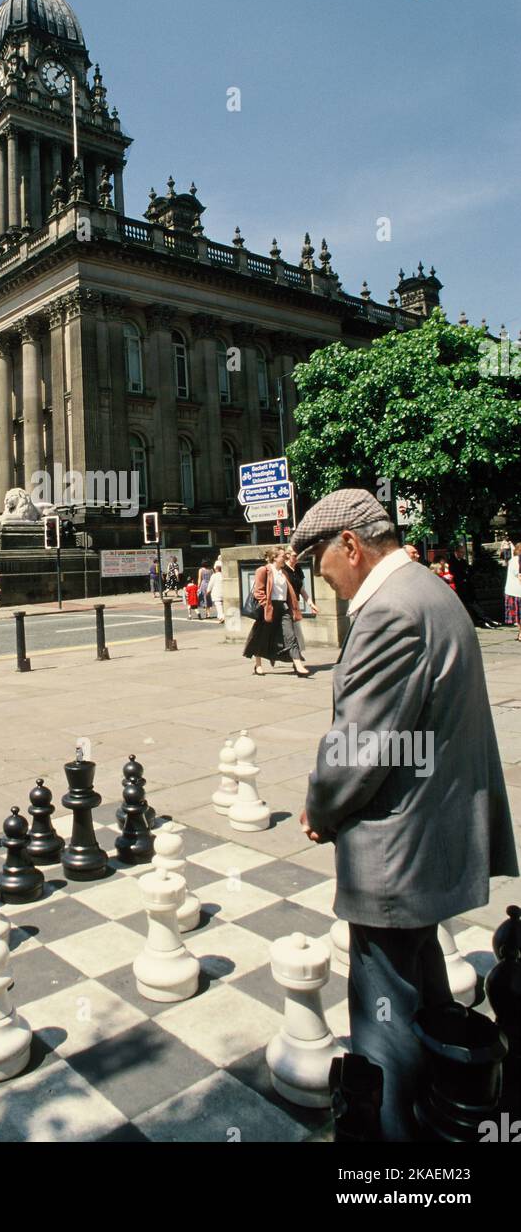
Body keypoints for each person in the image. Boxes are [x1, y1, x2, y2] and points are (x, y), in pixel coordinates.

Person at [291, 488, 518, 1142]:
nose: (319, 577)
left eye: (319, 560)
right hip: (432, 839)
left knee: (382, 1029)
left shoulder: (389, 611)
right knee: (425, 1001)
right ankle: (438, 1124)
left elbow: (358, 743)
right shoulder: (426, 590)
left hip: (396, 854)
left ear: (351, 547)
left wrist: (319, 805)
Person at [243, 547, 310, 677]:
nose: (285, 558)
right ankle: (258, 665)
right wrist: (266, 605)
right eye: (283, 556)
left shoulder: (284, 572)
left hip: (283, 607)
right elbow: (258, 591)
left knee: (291, 635)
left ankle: (298, 665)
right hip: (268, 607)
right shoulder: (263, 570)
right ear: (274, 558)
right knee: (261, 635)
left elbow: (289, 591)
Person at [504, 541, 521, 638]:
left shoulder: (512, 560)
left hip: (512, 591)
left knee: (518, 615)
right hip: (516, 592)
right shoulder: (515, 561)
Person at [207, 558, 224, 623]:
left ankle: (221, 617)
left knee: (219, 606)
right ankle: (222, 616)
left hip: (216, 594)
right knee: (223, 606)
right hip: (224, 593)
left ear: (216, 568)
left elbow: (210, 585)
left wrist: (208, 591)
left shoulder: (214, 576)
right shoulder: (224, 575)